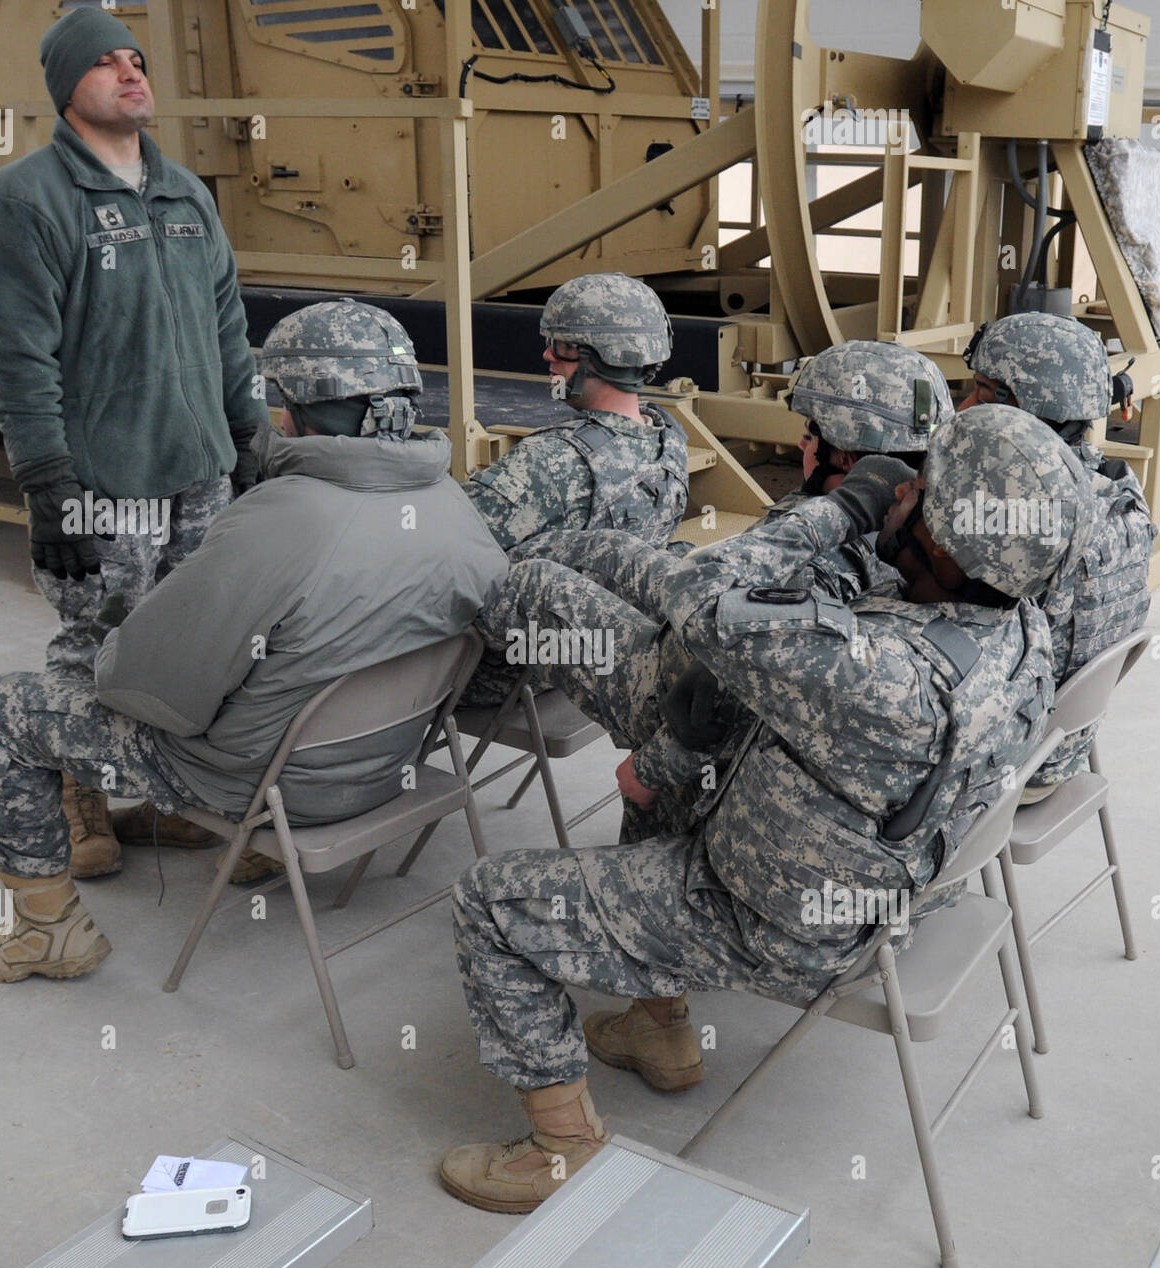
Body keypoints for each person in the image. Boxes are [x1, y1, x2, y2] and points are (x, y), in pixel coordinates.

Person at [438, 406, 1096, 1214]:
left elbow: (708, 596)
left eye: (917, 492)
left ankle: (559, 1150)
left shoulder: (873, 671)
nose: (902, 494)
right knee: (675, 748)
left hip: (772, 922)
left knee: (489, 902)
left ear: (944, 542)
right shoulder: (1025, 635)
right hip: (882, 888)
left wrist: (841, 507)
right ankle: (659, 1029)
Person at [0, 302, 507, 984]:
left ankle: (47, 932)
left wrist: (124, 623)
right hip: (386, 769)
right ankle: (210, 835)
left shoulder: (277, 520)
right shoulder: (457, 507)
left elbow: (141, 690)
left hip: (271, 788)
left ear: (293, 408)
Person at [0, 6, 267, 878]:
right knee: (94, 646)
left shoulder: (185, 193)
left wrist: (244, 431)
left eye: (138, 60)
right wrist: (47, 481)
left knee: (193, 649)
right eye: (106, 63)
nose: (133, 73)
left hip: (198, 475)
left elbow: (225, 326)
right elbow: (14, 355)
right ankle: (76, 794)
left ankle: (169, 798)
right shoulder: (24, 200)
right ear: (66, 89)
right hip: (105, 483)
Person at [474, 340, 956, 842]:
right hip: (712, 637)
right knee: (602, 549)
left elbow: (736, 690)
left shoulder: (818, 563)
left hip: (683, 690)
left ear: (847, 455)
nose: (800, 445)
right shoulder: (916, 539)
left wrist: (653, 769)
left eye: (811, 434)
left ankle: (440, 680)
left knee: (534, 587)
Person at [460, 272, 689, 706]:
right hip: (583, 660)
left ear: (601, 358)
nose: (547, 355)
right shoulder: (669, 439)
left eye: (563, 348)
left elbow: (447, 556)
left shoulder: (550, 460)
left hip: (501, 673)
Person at [961, 313, 1154, 795]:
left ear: (1027, 406)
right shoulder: (1119, 489)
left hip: (1007, 770)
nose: (964, 406)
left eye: (983, 391)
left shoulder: (1022, 521)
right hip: (1066, 749)